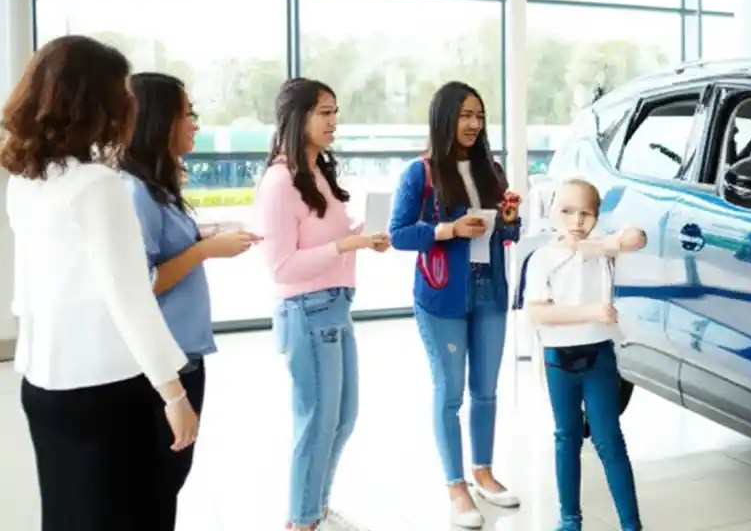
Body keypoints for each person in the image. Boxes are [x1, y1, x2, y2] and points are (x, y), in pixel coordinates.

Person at [1, 36, 199, 530]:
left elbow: (30, 288)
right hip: (106, 392)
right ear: (96, 101)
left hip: (43, 383)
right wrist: (174, 394)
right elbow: (129, 298)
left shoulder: (25, 180)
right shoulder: (98, 185)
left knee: (67, 516)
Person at [120, 72, 261, 522]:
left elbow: (166, 247)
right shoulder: (136, 192)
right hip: (162, 364)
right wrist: (204, 250)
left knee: (169, 481)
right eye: (187, 114)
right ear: (158, 121)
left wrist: (204, 236)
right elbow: (138, 283)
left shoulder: (156, 187)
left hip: (185, 354)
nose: (195, 124)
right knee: (157, 486)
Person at [254, 78, 389, 531]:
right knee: (316, 424)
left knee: (343, 419)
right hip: (307, 312)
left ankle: (316, 508)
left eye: (335, 111)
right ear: (297, 118)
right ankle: (302, 519)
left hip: (334, 308)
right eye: (324, 112)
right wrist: (344, 245)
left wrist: (361, 238)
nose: (334, 121)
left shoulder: (316, 173)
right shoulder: (279, 182)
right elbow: (282, 267)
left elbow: (327, 234)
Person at [388, 81, 522, 529]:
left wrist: (507, 221)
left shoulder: (493, 171)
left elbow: (508, 235)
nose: (473, 124)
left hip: (489, 290)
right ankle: (455, 485)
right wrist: (447, 230)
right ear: (445, 118)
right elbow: (399, 234)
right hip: (441, 295)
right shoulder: (420, 173)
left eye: (479, 116)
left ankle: (483, 471)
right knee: (450, 394)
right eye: (465, 115)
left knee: (486, 390)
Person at [523, 178, 646, 531]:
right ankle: (569, 519)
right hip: (558, 359)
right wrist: (592, 312)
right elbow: (538, 312)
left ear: (596, 216)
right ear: (552, 211)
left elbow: (637, 237)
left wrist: (610, 242)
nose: (576, 221)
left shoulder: (601, 250)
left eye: (585, 213)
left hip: (599, 357)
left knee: (609, 438)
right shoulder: (543, 258)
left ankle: (631, 524)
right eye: (567, 211)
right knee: (566, 437)